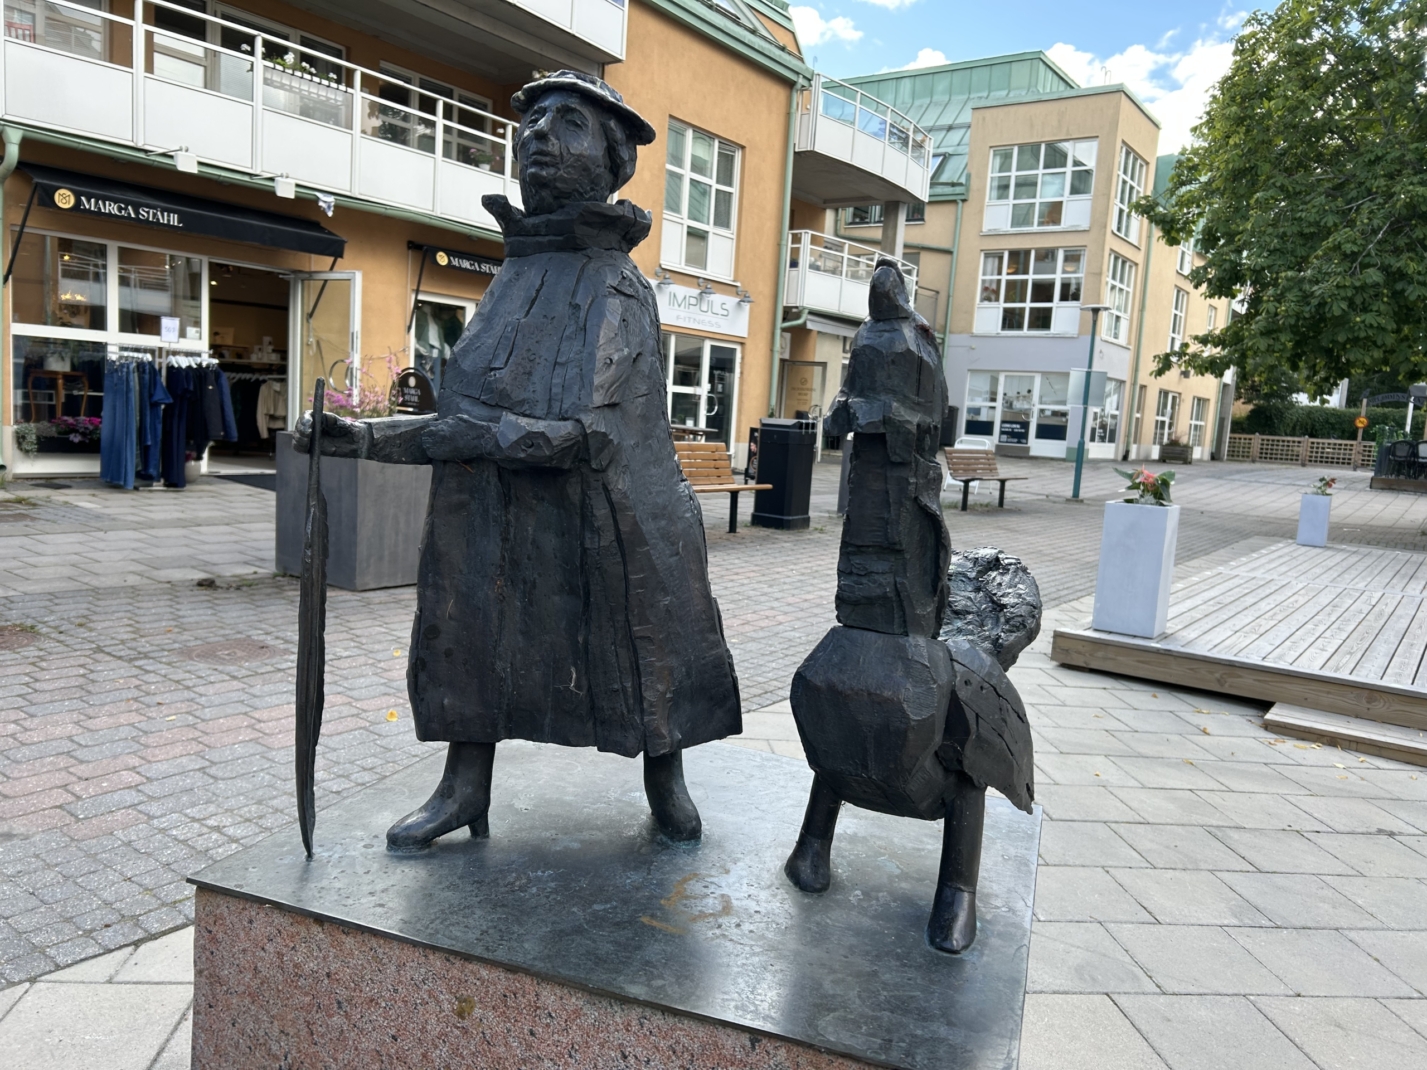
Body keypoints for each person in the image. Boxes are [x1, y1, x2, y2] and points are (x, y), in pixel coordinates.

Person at [296, 71, 742, 850]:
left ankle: (665, 778)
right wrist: (363, 439)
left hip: (613, 516)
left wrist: (456, 438)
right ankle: (465, 786)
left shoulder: (618, 286)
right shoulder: (511, 277)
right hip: (493, 510)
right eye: (529, 125)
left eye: (566, 124)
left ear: (611, 161)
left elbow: (581, 433)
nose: (536, 136)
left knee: (637, 646)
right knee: (470, 625)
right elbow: (465, 415)